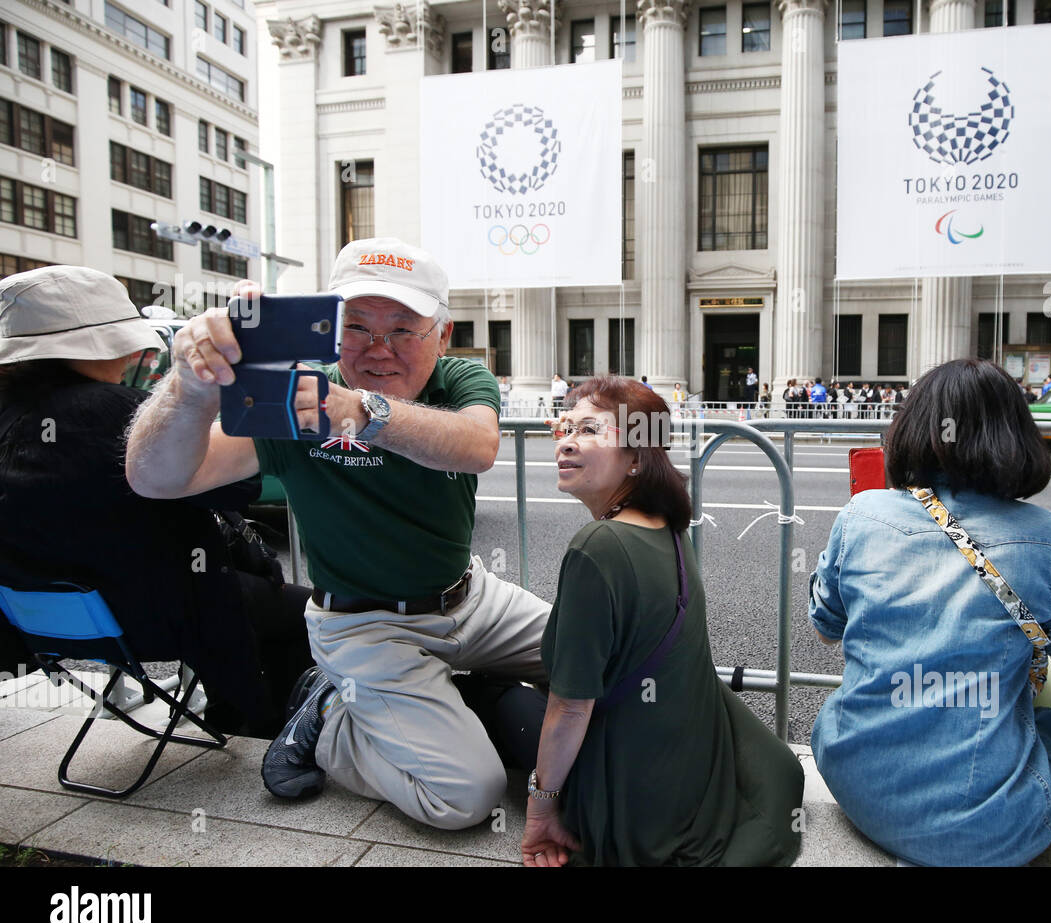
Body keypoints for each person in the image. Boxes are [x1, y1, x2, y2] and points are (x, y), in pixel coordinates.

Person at [126, 238, 551, 828]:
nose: (380, 350)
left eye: (404, 329)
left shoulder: (459, 379)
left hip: (472, 598)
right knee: (465, 798)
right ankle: (329, 719)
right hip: (362, 627)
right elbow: (157, 479)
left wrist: (360, 412)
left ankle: (412, 705)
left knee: (607, 656)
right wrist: (189, 387)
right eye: (358, 327)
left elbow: (477, 446)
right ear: (331, 330)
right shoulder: (297, 395)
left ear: (443, 336)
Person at [0, 266, 314, 737]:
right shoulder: (113, 409)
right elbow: (233, 489)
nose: (132, 354)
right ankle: (266, 724)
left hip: (36, 621)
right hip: (156, 614)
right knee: (308, 614)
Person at [809, 359, 1051, 866]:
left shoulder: (861, 516)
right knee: (1043, 690)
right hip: (991, 830)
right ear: (1016, 437)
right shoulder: (1044, 534)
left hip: (856, 780)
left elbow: (826, 629)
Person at [521, 376, 803, 866]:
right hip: (683, 767)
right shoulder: (668, 527)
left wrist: (541, 811)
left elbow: (569, 709)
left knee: (499, 702)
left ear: (635, 457)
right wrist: (585, 423)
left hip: (625, 793)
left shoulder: (597, 548)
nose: (566, 441)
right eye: (564, 428)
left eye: (589, 430)